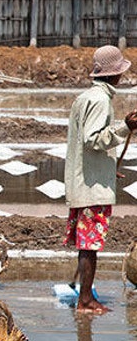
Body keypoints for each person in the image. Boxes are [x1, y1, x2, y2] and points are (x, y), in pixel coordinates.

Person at [64, 44, 137, 314]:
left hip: (87, 180)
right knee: (90, 244)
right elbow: (93, 139)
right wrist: (125, 127)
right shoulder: (100, 101)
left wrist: (107, 169)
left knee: (88, 244)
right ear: (115, 75)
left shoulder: (87, 97)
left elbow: (86, 147)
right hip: (90, 188)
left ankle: (84, 296)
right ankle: (85, 301)